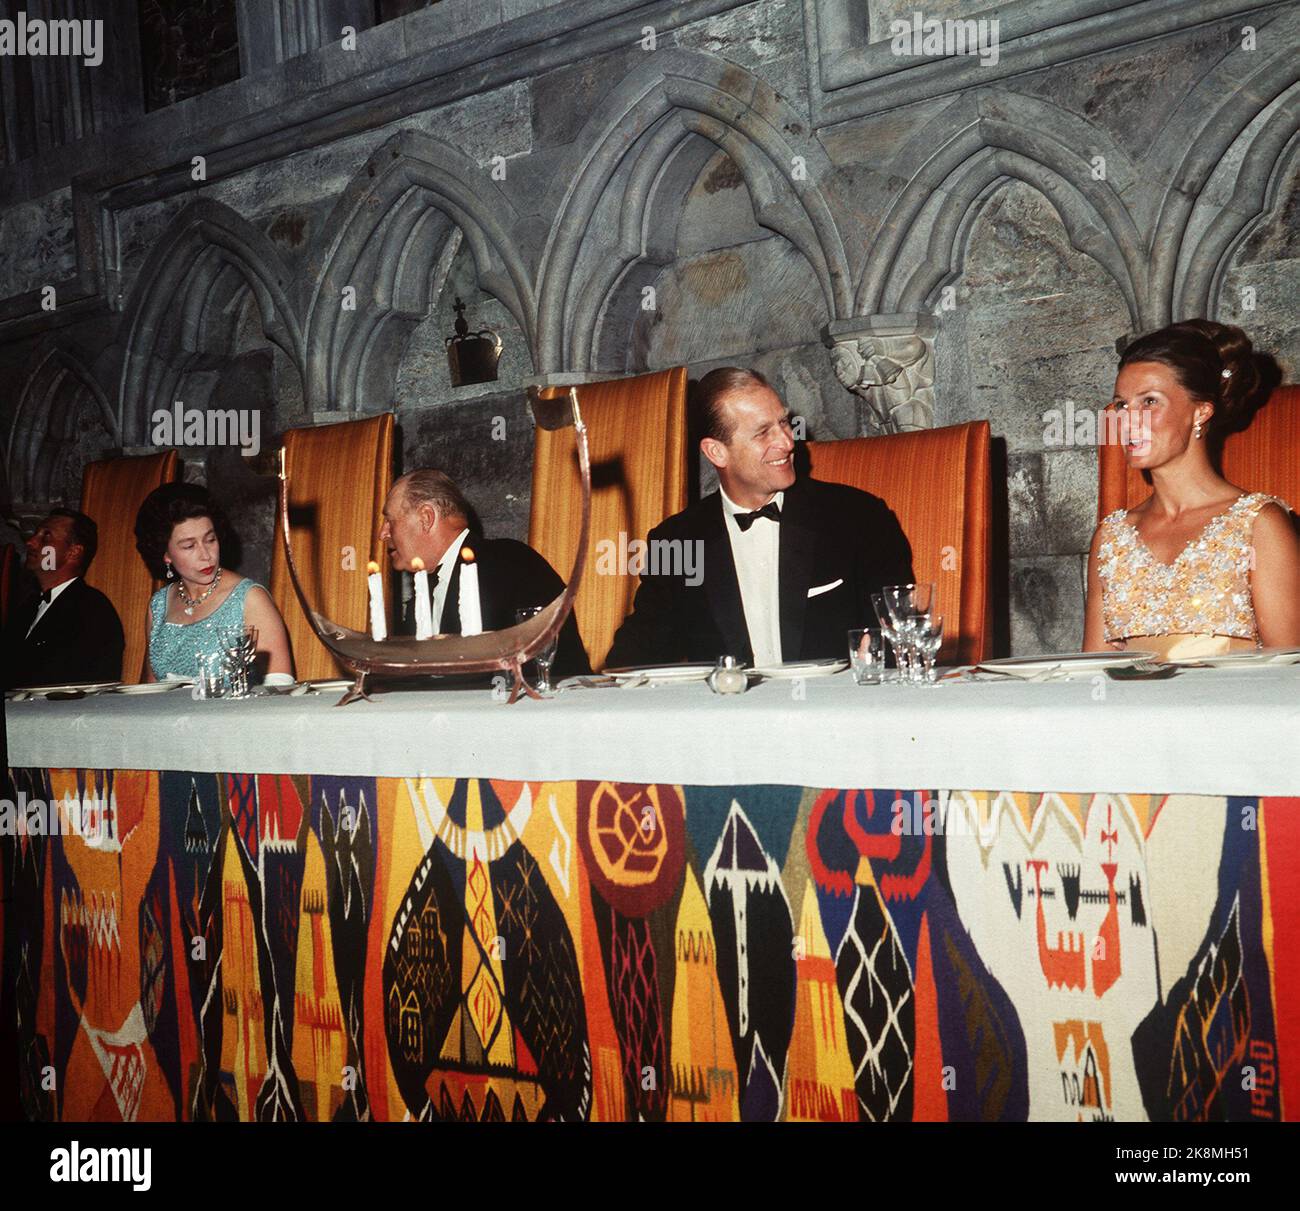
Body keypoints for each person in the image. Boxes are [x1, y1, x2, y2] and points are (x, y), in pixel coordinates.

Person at [605, 367, 914, 669]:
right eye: (763, 432)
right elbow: (633, 660)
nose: (787, 442)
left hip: (831, 714)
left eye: (784, 423)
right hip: (724, 716)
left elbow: (898, 634)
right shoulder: (677, 541)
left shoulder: (859, 518)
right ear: (716, 452)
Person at [1083, 319, 1300, 658]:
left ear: (1200, 412)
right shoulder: (1111, 537)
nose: (1127, 421)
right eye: (1122, 405)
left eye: (1149, 402)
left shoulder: (1259, 525)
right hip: (1129, 710)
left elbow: (1289, 673)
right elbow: (1093, 668)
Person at [379, 469, 591, 677]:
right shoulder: (424, 591)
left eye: (390, 520)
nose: (383, 533)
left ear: (426, 518)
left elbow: (542, 669)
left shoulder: (509, 563)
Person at [134, 483, 294, 681]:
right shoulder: (158, 607)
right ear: (165, 554)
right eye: (189, 546)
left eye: (210, 540)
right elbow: (147, 695)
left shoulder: (250, 599)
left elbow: (278, 688)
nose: (206, 555)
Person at [1, 509, 124, 688]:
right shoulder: (26, 607)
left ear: (73, 552)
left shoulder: (93, 610)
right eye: (35, 534)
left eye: (46, 537)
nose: (30, 542)